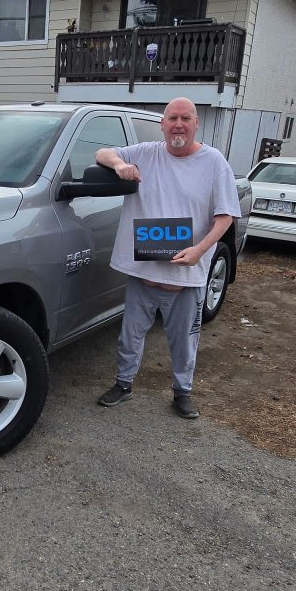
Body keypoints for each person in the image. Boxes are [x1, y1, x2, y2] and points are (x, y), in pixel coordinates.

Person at [95, 97, 242, 419]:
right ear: (162, 124)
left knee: (184, 342)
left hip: (185, 279)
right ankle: (123, 384)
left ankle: (182, 392)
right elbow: (102, 153)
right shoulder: (145, 153)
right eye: (172, 118)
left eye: (185, 118)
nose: (178, 124)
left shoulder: (213, 162)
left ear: (196, 124)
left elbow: (225, 216)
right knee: (129, 336)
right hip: (143, 275)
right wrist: (119, 165)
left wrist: (199, 251)